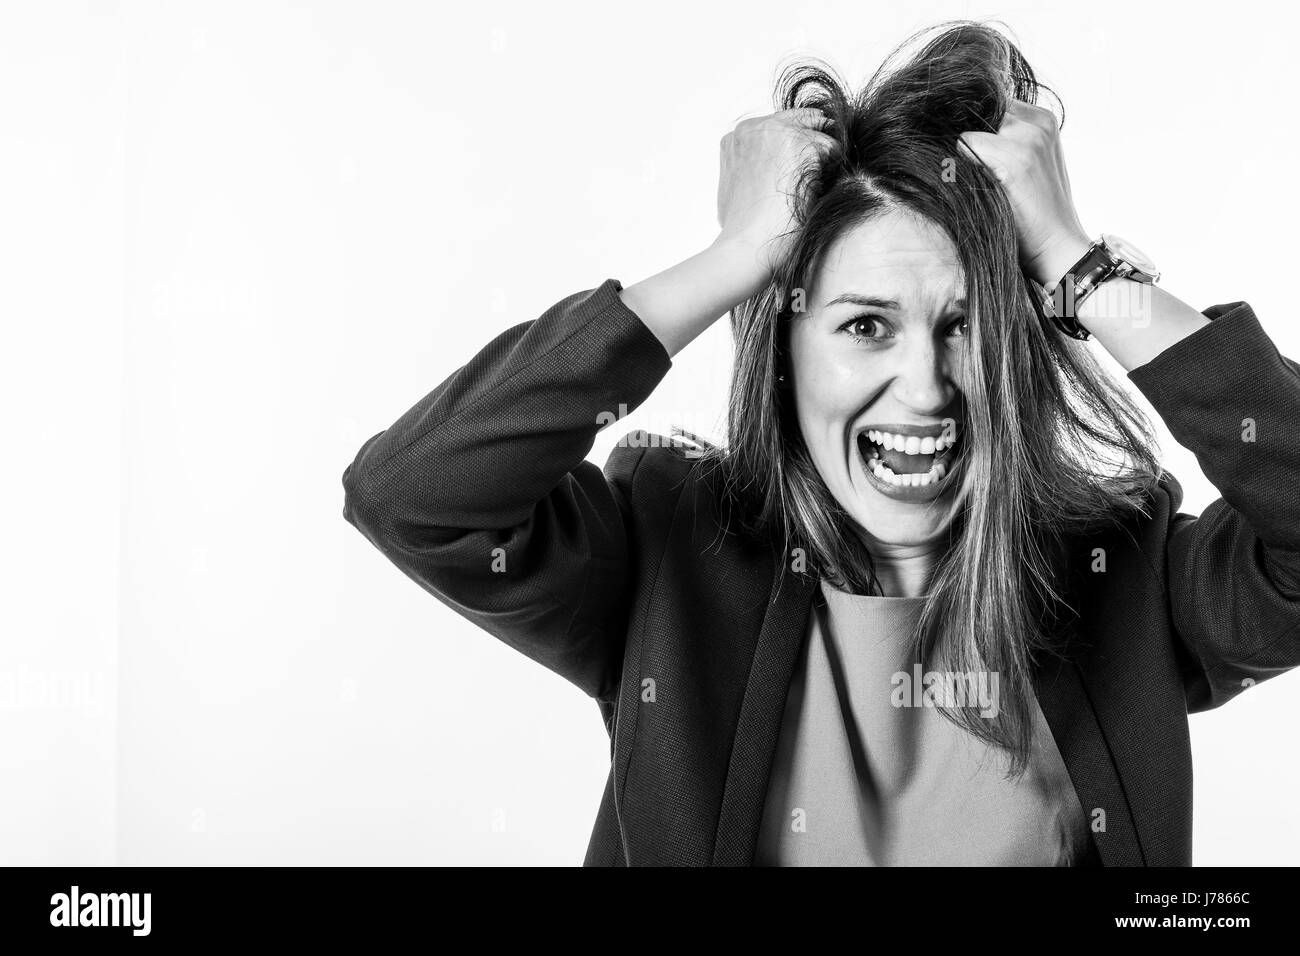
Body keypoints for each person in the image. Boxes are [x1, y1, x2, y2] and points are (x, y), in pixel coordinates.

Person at [341, 20, 1300, 865]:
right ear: (787, 352)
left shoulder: (1125, 577)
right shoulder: (668, 558)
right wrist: (732, 259)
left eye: (964, 325)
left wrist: (1078, 267)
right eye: (864, 326)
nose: (924, 387)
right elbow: (413, 494)